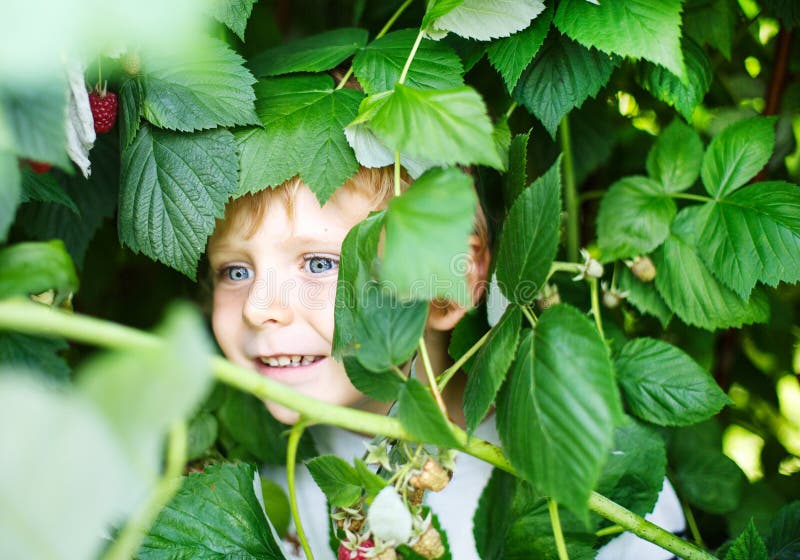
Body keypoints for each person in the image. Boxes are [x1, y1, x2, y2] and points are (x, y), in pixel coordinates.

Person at [206, 166, 684, 559]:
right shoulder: (255, 508)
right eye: (236, 270)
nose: (257, 307)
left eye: (319, 264)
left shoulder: (598, 473)